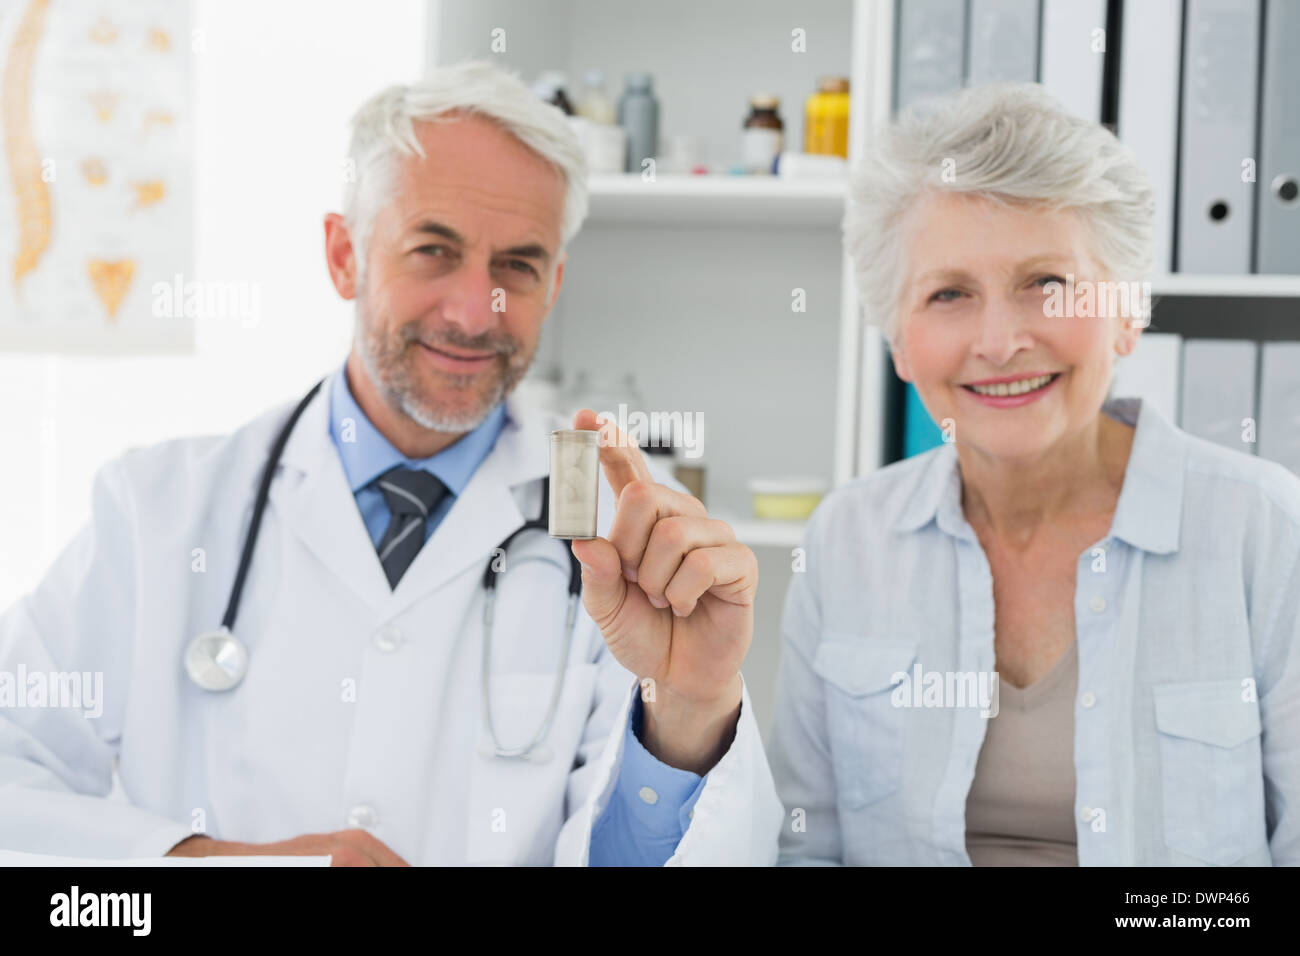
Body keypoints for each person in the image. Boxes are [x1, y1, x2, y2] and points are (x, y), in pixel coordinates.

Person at [0, 61, 781, 866]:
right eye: (433, 250)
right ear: (344, 255)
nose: (477, 311)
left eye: (518, 264)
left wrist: (686, 712)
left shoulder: (620, 532)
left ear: (554, 283)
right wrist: (216, 865)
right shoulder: (157, 512)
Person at [770, 83, 1300, 866]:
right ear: (900, 346)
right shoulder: (850, 539)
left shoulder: (1265, 529)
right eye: (949, 293)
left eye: (1045, 284)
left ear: (1127, 312)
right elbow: (802, 848)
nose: (999, 340)